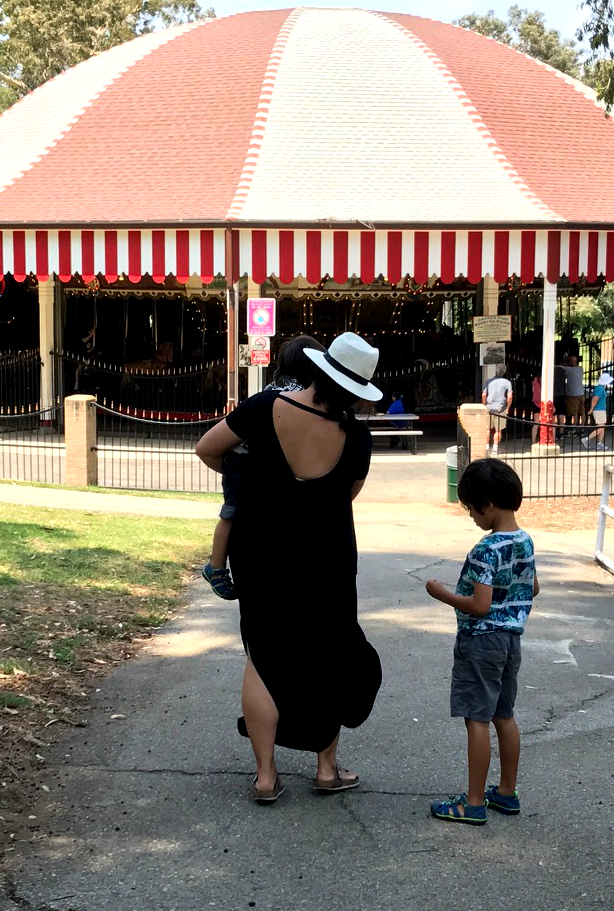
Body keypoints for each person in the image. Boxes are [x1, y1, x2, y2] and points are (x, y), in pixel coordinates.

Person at [195, 332, 384, 805]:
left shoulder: (263, 408)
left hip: (262, 548)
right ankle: (325, 769)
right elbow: (347, 493)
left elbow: (207, 448)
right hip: (328, 553)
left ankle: (264, 776)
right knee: (331, 650)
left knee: (263, 653)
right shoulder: (357, 435)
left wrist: (258, 479)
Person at [425, 457, 538, 825]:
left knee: (477, 718)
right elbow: (532, 587)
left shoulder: (485, 549)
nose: (471, 515)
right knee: (504, 715)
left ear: (487, 505)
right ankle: (506, 792)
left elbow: (479, 604)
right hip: (511, 641)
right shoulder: (524, 541)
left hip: (480, 641)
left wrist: (440, 593)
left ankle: (473, 802)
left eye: (471, 508)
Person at [201, 334, 323, 600]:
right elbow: (206, 448)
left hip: (243, 461)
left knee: (232, 514)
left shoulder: (270, 391)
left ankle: (218, 565)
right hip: (243, 459)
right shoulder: (293, 396)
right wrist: (236, 470)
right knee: (230, 513)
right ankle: (217, 567)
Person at [481, 364, 513, 456]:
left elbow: (484, 395)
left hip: (489, 408)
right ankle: (495, 449)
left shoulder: (488, 381)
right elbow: (510, 397)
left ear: (496, 370)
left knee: (487, 428)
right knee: (498, 430)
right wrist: (508, 407)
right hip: (500, 408)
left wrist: (484, 405)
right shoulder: (507, 383)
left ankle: (486, 447)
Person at [583, 372, 613, 450]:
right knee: (601, 427)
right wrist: (591, 409)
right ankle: (587, 439)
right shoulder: (600, 389)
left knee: (602, 427)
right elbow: (595, 399)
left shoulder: (599, 388)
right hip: (599, 410)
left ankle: (599, 443)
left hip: (600, 410)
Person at [565, 353, 586, 426]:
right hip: (581, 393)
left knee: (574, 412)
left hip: (573, 394)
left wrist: (565, 363)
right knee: (582, 411)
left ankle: (573, 427)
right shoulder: (580, 369)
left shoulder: (569, 369)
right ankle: (582, 427)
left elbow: (559, 367)